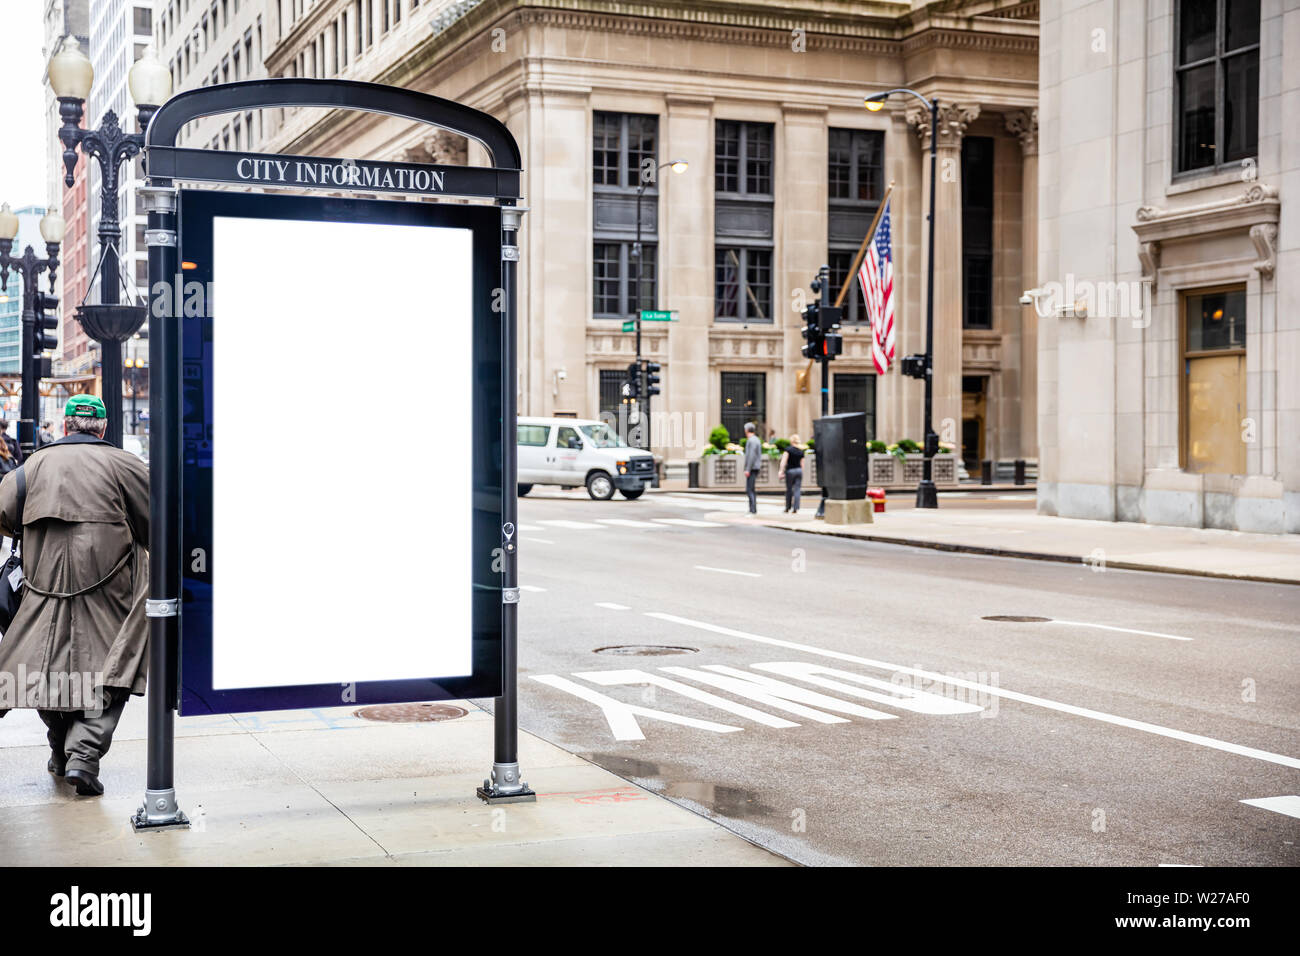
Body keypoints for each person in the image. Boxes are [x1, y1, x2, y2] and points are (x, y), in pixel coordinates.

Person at [0, 394, 149, 797]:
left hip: (43, 589)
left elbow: (5, 516)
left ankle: (62, 752)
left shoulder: (31, 467)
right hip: (109, 593)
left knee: (46, 670)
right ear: (102, 429)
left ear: (66, 426)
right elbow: (156, 522)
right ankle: (82, 756)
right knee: (114, 670)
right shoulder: (124, 465)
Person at [779, 434, 805, 514]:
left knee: (789, 490)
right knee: (797, 490)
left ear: (791, 441)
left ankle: (787, 507)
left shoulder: (788, 450)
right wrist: (801, 472)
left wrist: (781, 471)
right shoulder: (801, 451)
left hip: (790, 471)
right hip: (799, 471)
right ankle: (795, 508)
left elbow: (784, 461)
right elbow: (802, 464)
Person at [743, 421, 761, 515]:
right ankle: (752, 508)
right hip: (754, 467)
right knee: (751, 488)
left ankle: (752, 509)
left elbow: (751, 455)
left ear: (747, 430)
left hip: (752, 468)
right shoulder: (756, 439)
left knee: (749, 489)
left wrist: (747, 469)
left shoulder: (752, 440)